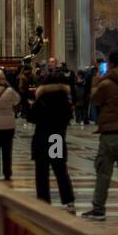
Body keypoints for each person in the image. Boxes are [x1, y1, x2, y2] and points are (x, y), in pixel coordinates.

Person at [82, 49, 118, 222]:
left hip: (110, 134)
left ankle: (99, 210)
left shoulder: (106, 84)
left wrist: (96, 81)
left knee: (103, 172)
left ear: (112, 64)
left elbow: (95, 100)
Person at [28, 69, 75, 211]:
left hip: (42, 136)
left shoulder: (41, 99)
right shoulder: (64, 100)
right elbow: (68, 118)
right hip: (56, 137)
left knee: (41, 171)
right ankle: (68, 200)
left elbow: (31, 117)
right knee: (60, 170)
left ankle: (43, 200)